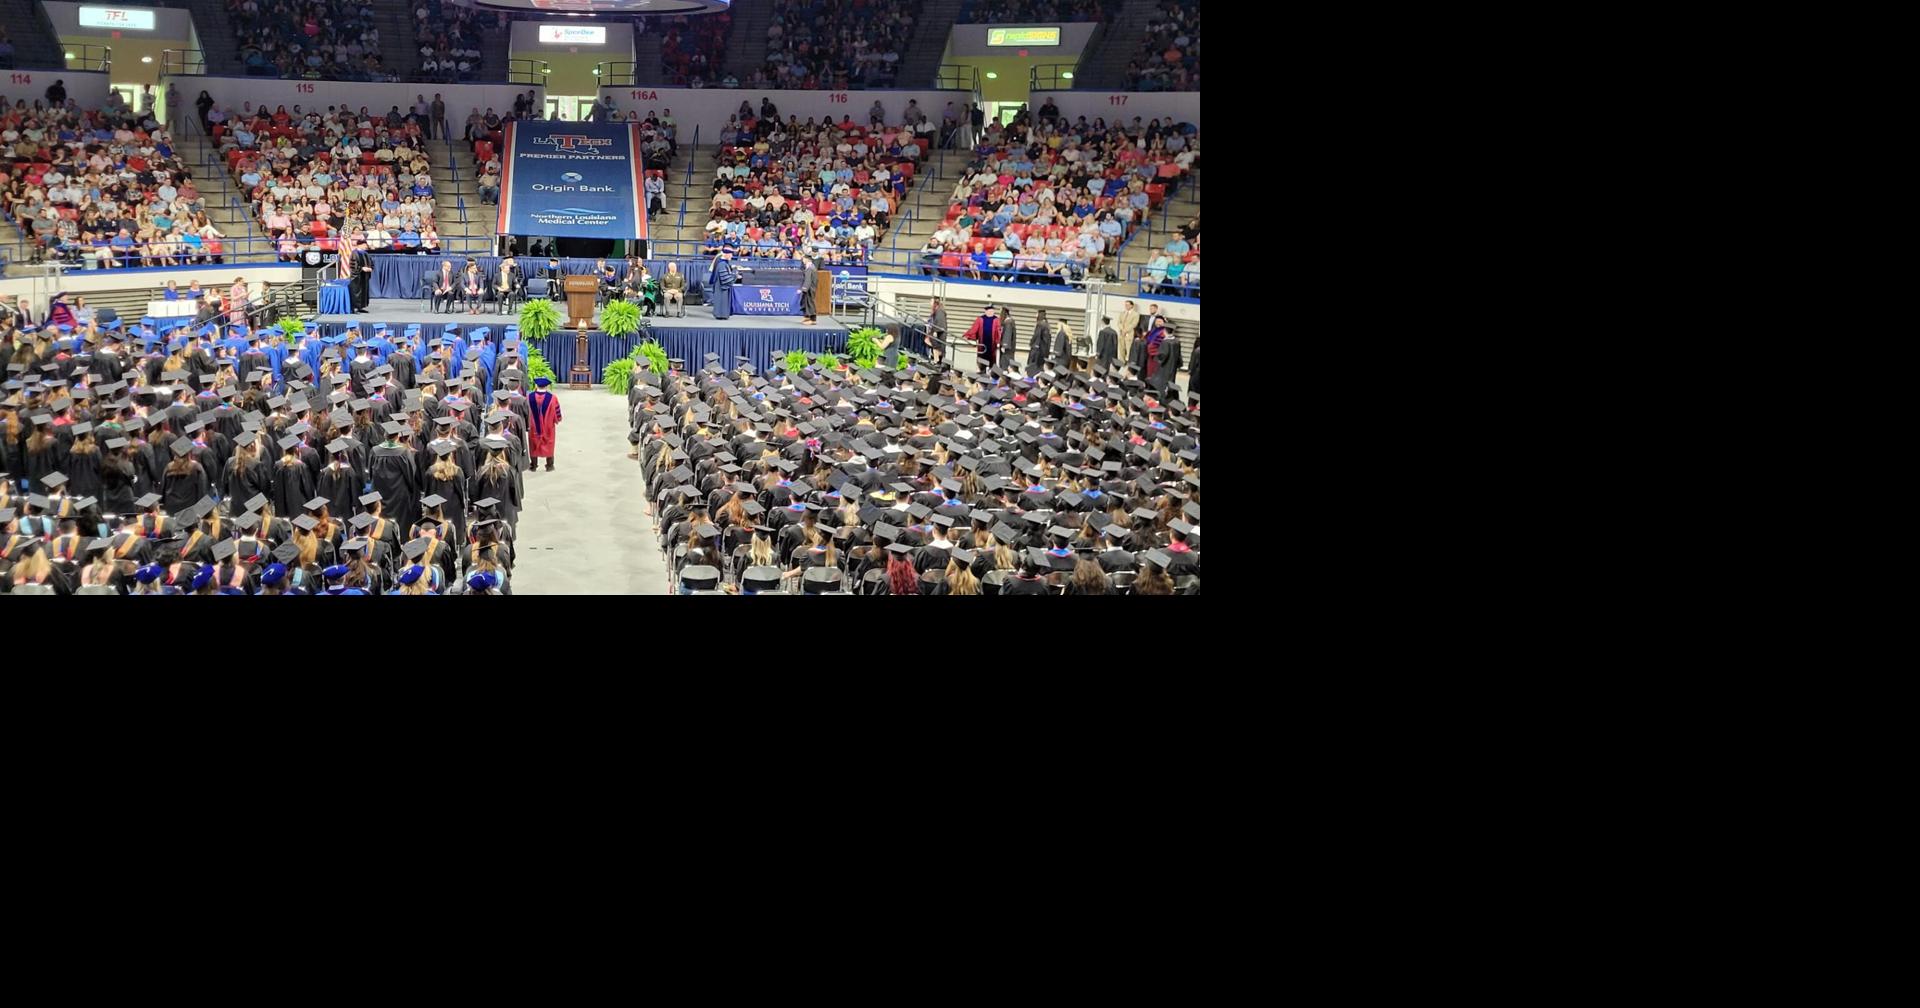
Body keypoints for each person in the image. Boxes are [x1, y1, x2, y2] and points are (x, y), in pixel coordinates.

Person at [526, 376, 561, 472]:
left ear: (536, 385)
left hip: (533, 427)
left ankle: (533, 465)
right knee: (549, 443)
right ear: (547, 386)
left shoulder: (529, 397)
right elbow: (557, 413)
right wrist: (558, 418)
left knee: (533, 444)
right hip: (548, 427)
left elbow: (526, 412)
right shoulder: (553, 398)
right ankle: (549, 465)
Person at [707, 247, 750, 320]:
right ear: (726, 254)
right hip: (721, 286)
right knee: (721, 300)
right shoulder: (722, 264)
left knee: (723, 300)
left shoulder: (723, 263)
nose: (731, 256)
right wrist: (735, 276)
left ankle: (722, 315)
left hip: (721, 285)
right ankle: (721, 315)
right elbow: (724, 278)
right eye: (730, 254)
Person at [799, 253, 818, 326]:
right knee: (805, 302)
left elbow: (808, 279)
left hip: (810, 288)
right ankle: (807, 316)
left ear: (807, 259)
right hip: (809, 287)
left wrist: (804, 288)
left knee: (810, 302)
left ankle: (813, 319)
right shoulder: (810, 266)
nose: (802, 260)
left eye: (803, 259)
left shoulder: (810, 267)